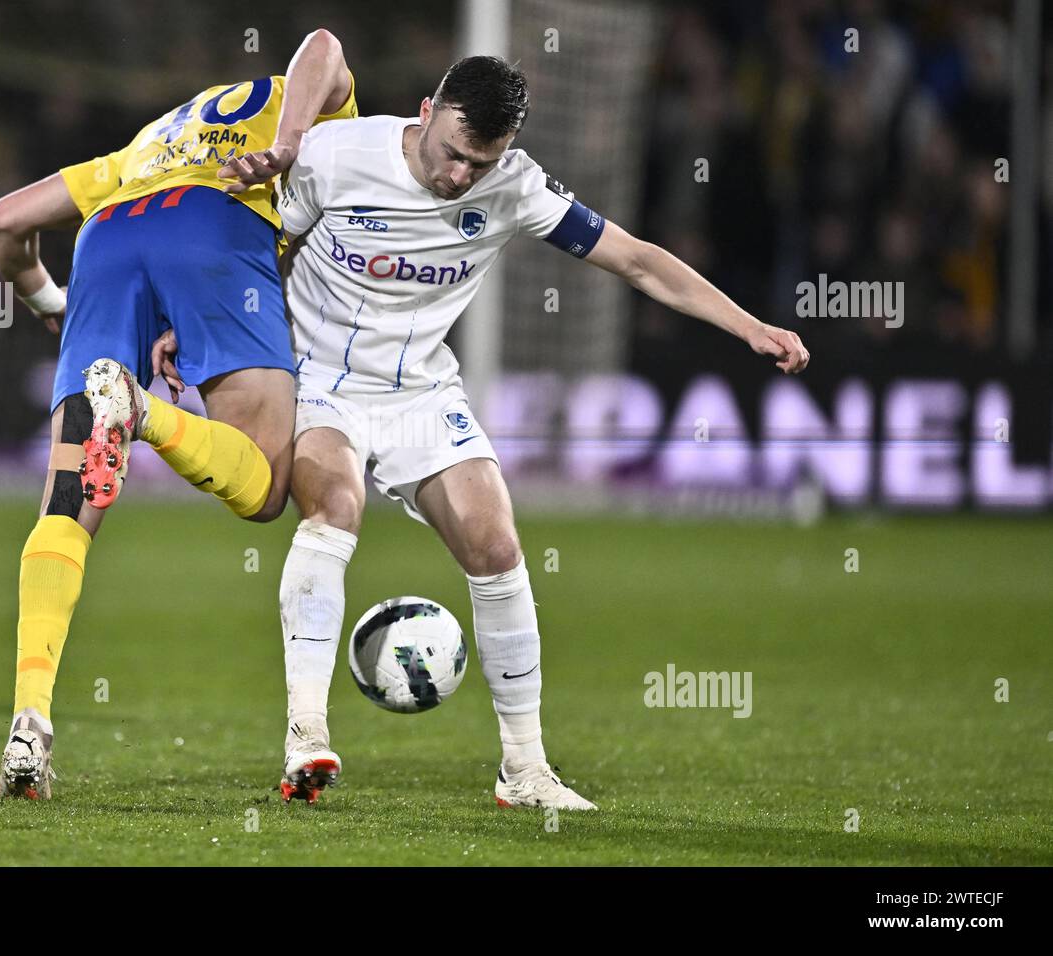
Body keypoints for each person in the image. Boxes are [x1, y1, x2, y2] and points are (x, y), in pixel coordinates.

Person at [157, 55, 809, 810]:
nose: (463, 176)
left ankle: (525, 770)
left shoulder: (515, 184)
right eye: (454, 154)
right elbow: (259, 252)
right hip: (319, 378)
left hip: (423, 389)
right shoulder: (339, 154)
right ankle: (306, 735)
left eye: (481, 163)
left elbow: (636, 261)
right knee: (335, 506)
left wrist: (748, 325)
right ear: (426, 109)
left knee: (497, 545)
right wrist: (197, 329)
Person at [0, 30, 356, 799]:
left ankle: (29, 721)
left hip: (107, 242)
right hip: (217, 224)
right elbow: (323, 44)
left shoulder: (147, 144)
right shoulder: (303, 110)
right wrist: (288, 146)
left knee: (64, 504)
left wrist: (51, 304)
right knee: (265, 489)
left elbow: (3, 223)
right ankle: (146, 414)